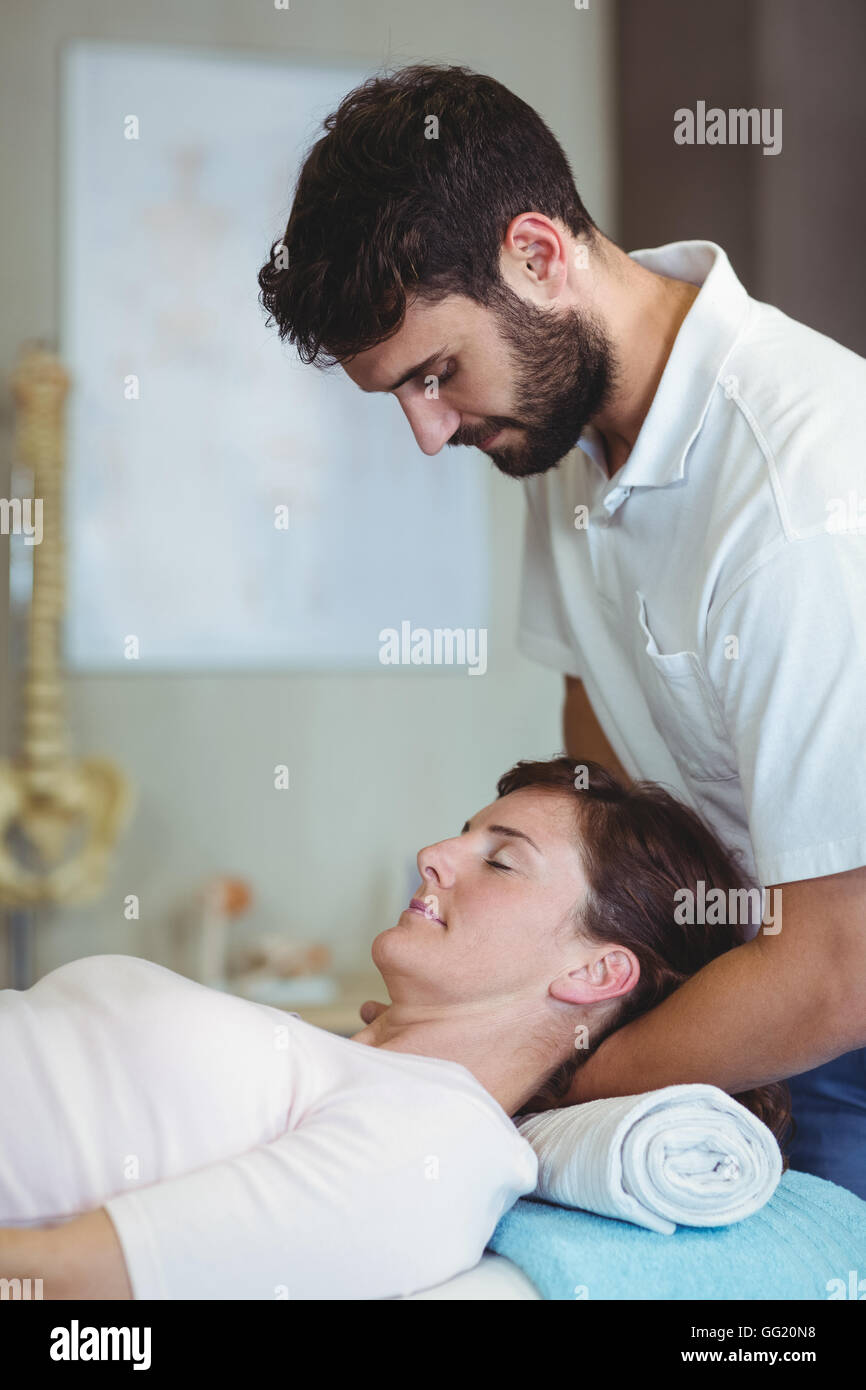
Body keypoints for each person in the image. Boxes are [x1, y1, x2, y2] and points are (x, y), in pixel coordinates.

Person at [258, 63, 866, 1198]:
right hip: (736, 981)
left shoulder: (798, 489)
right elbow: (594, 757)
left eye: (436, 375)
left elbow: (841, 965)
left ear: (537, 255)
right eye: (397, 393)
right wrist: (512, 986)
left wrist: (538, 1068)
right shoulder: (560, 429)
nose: (429, 435)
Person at [0, 756, 788, 1299]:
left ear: (593, 974)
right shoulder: (352, 1069)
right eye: (465, 834)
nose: (433, 854)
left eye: (501, 861)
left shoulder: (444, 1140)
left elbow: (64, 1280)